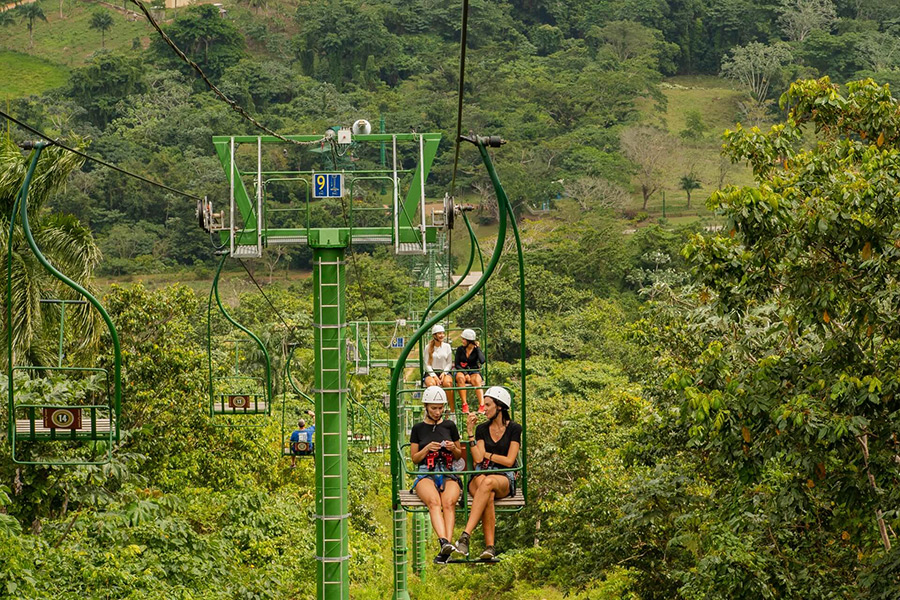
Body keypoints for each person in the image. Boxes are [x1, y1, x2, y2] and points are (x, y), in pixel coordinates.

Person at [454, 386, 521, 561]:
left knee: (488, 483)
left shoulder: (514, 429)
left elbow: (509, 461)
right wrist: (470, 432)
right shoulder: (482, 429)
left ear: (499, 407)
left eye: (488, 405)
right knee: (487, 492)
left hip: (503, 477)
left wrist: (489, 455)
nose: (485, 408)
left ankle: (465, 536)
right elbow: (477, 459)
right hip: (482, 474)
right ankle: (490, 548)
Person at [409, 386, 464, 564]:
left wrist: (452, 448)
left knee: (449, 502)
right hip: (426, 471)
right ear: (426, 406)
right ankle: (444, 541)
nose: (437, 412)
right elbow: (415, 459)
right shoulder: (418, 428)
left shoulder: (450, 426)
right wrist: (426, 448)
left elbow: (458, 455)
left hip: (448, 470)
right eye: (434, 408)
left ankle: (445, 547)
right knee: (434, 502)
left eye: (440, 408)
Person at [454, 328, 486, 413]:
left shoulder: (476, 350)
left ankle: (482, 404)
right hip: (462, 370)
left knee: (476, 380)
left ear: (469, 341)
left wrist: (478, 348)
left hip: (473, 370)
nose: (462, 341)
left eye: (464, 339)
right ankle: (464, 404)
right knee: (460, 378)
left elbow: (482, 360)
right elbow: (457, 364)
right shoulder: (460, 349)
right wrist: (465, 373)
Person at [423, 324, 455, 411]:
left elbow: (449, 363)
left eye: (443, 333)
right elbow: (427, 364)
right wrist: (433, 375)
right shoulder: (428, 348)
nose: (442, 336)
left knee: (448, 384)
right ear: (434, 335)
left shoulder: (447, 347)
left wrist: (444, 373)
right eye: (439, 334)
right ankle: (432, 409)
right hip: (431, 372)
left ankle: (452, 409)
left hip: (444, 371)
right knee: (431, 385)